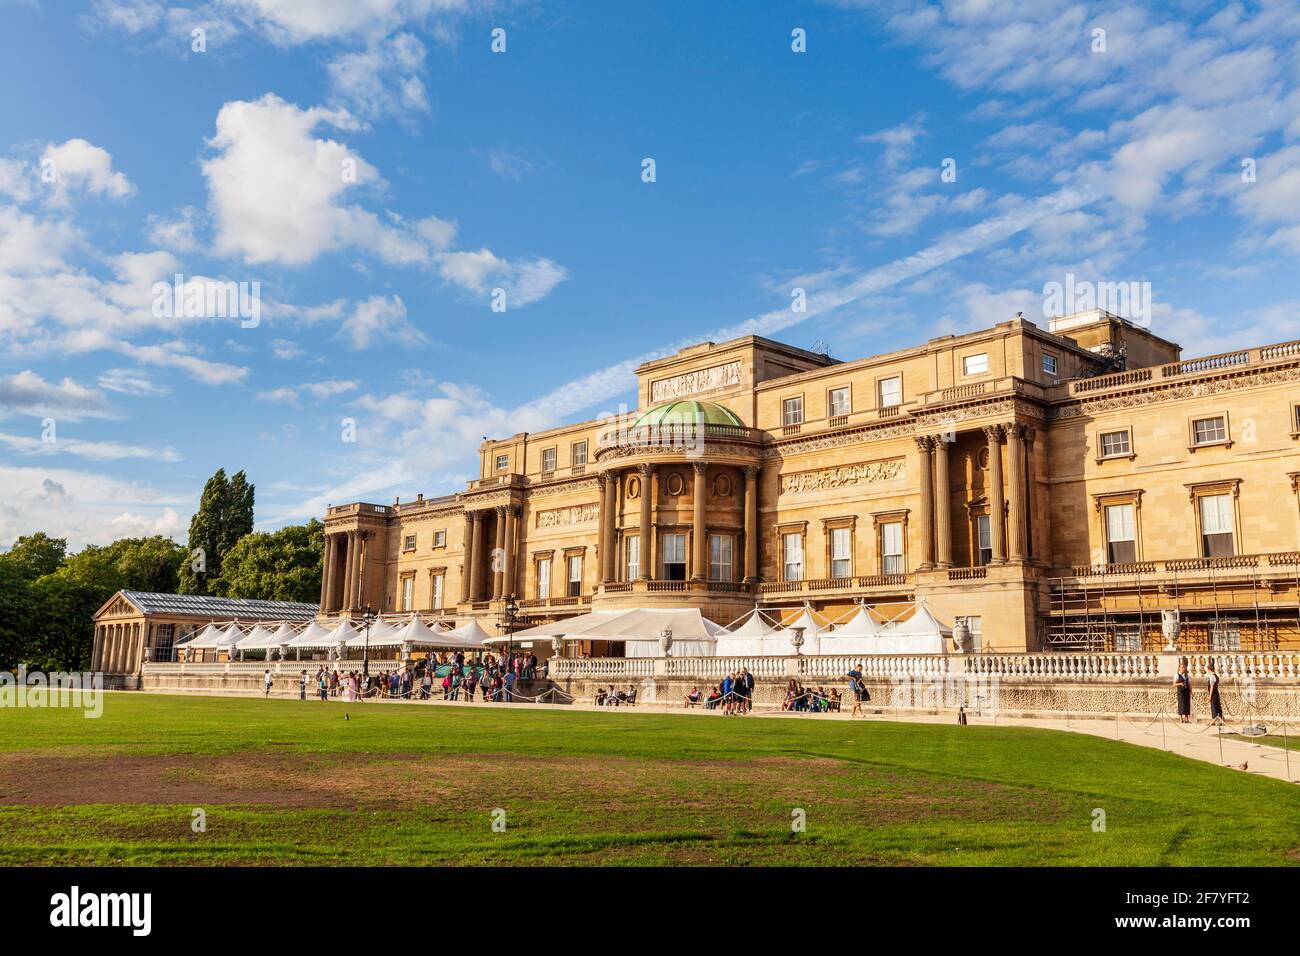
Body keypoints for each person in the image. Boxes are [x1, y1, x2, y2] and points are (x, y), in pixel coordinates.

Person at [1174, 658, 1192, 723]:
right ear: (1179, 668)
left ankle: (1186, 718)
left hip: (1186, 691)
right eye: (1182, 667)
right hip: (1180, 692)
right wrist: (1180, 683)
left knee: (1187, 704)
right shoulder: (1177, 675)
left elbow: (1189, 684)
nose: (1183, 668)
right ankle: (1181, 718)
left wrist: (1191, 691)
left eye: (1184, 667)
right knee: (1181, 704)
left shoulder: (1187, 675)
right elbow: (1174, 684)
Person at [1207, 658, 1223, 724]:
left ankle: (1215, 720)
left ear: (1208, 669)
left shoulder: (1212, 676)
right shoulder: (1215, 675)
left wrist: (1210, 695)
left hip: (1213, 692)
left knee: (1214, 706)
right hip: (1216, 692)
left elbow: (1212, 686)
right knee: (1216, 705)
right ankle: (1217, 719)